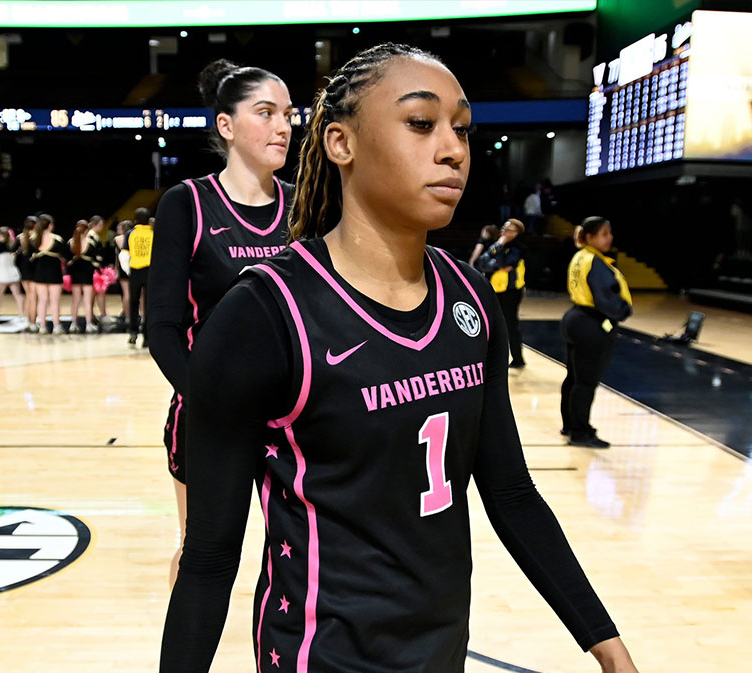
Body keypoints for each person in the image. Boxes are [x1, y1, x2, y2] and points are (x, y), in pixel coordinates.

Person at [161, 44, 637, 673]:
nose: (453, 149)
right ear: (340, 143)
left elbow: (512, 494)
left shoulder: (470, 300)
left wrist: (606, 643)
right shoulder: (264, 313)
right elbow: (210, 558)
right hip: (320, 655)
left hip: (441, 650)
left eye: (462, 129)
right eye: (421, 124)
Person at [148, 57, 295, 588]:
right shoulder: (186, 203)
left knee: (297, 558)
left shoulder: (302, 208)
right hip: (209, 414)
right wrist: (207, 400)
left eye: (287, 114)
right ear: (226, 125)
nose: (283, 126)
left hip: (289, 417)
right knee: (202, 558)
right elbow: (162, 327)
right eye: (266, 112)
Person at [562, 216, 632, 449]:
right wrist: (624, 311)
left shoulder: (581, 256)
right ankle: (581, 432)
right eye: (604, 233)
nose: (609, 237)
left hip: (575, 318)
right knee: (585, 382)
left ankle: (571, 425)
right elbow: (606, 298)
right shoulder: (595, 262)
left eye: (610, 233)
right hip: (591, 323)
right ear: (589, 237)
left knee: (574, 378)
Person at [476, 218, 527, 368]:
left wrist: (496, 257)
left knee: (510, 325)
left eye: (508, 229)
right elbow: (482, 262)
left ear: (516, 233)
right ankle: (492, 359)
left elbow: (503, 264)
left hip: (510, 292)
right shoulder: (497, 245)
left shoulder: (519, 248)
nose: (504, 231)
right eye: (504, 228)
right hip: (493, 290)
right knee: (489, 324)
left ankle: (518, 359)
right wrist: (498, 249)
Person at [31, 214, 70, 335]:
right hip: (54, 274)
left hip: (39, 274)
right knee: (55, 301)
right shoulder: (57, 239)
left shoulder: (34, 239)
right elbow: (66, 257)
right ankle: (56, 327)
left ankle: (42, 327)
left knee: (42, 301)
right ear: (50, 225)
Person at [0, 226, 25, 325]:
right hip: (13, 272)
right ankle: (22, 315)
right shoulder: (15, 246)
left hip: (2, 274)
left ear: (0, 235)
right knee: (18, 295)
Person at [126, 207, 154, 347]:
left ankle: (133, 333)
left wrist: (129, 271)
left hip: (135, 271)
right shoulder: (154, 233)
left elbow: (124, 255)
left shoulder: (130, 234)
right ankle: (147, 338)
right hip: (150, 271)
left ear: (135, 220)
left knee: (133, 303)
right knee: (149, 304)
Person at [68, 217, 101, 334]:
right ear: (87, 231)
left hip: (75, 275)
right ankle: (88, 324)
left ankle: (73, 324)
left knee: (75, 300)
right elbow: (95, 259)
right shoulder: (91, 243)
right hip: (87, 275)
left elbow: (67, 261)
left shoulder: (71, 243)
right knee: (87, 300)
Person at [16, 216, 39, 331]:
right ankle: (32, 322)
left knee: (29, 295)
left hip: (23, 269)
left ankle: (27, 319)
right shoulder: (36, 238)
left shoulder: (20, 237)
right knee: (33, 297)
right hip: (33, 269)